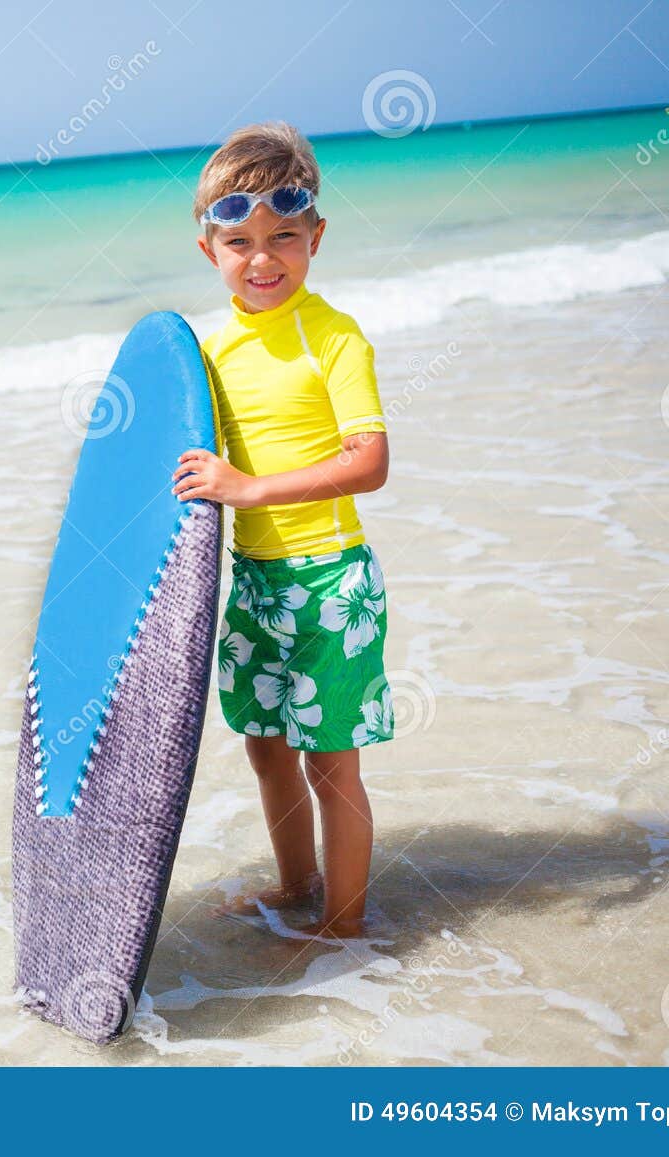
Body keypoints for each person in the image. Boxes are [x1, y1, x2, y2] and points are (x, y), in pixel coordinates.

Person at [172, 121, 395, 940]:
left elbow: (368, 462)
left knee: (331, 765)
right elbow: (184, 463)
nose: (262, 259)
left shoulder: (332, 337)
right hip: (256, 580)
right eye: (240, 242)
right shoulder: (211, 349)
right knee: (266, 749)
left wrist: (252, 487)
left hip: (332, 580)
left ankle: (344, 928)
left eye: (284, 238)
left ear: (316, 237)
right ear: (210, 251)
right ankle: (298, 886)